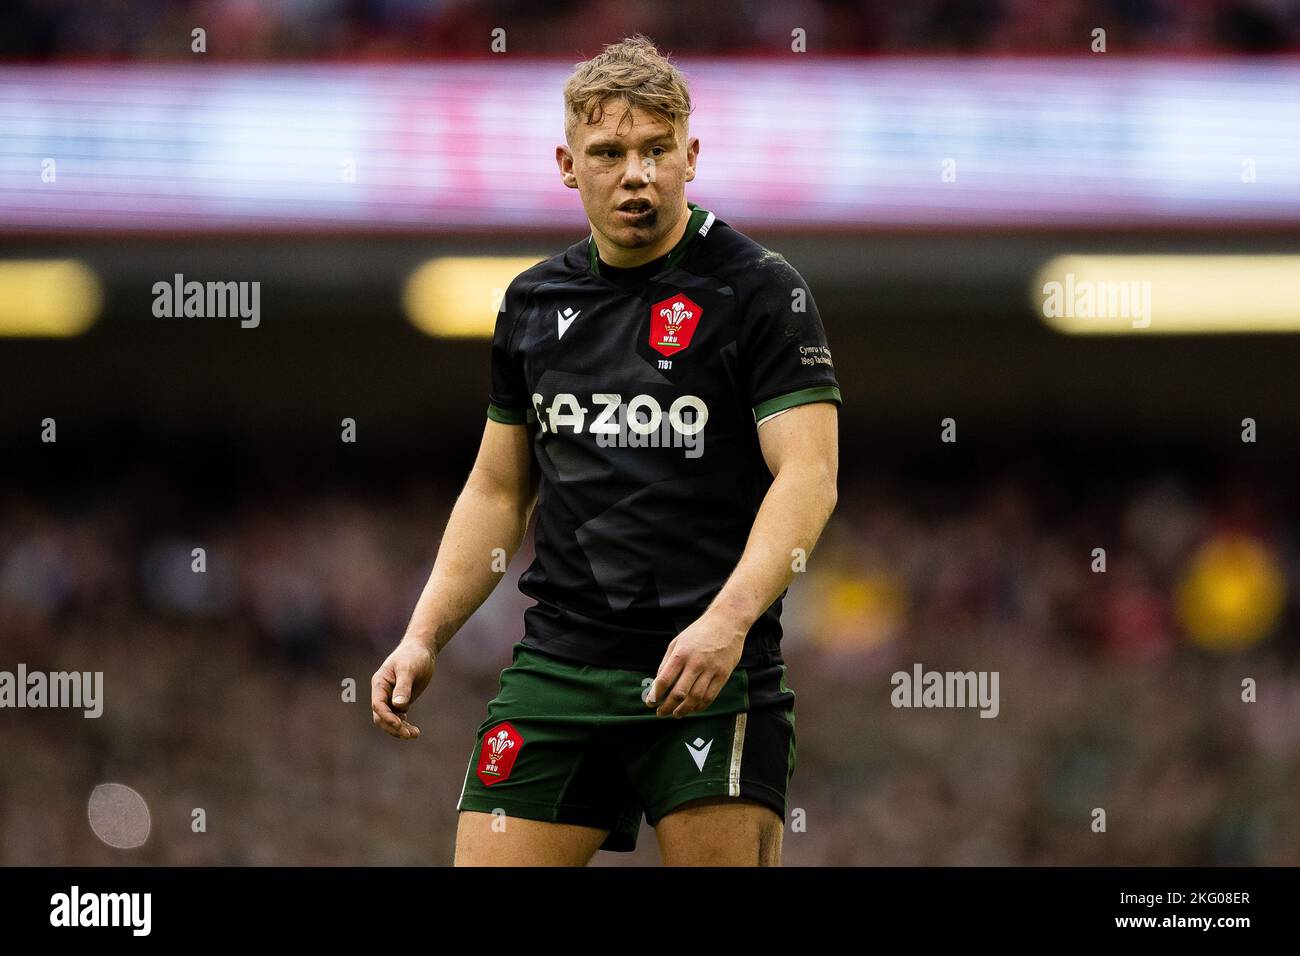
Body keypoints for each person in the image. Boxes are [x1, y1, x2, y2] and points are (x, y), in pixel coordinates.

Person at [371, 33, 840, 866]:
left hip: (711, 674)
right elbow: (496, 491)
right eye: (610, 152)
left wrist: (727, 623)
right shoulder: (532, 302)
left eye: (658, 150)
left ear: (691, 155)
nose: (637, 173)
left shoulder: (760, 290)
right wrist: (423, 634)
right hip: (560, 671)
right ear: (566, 164)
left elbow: (809, 475)